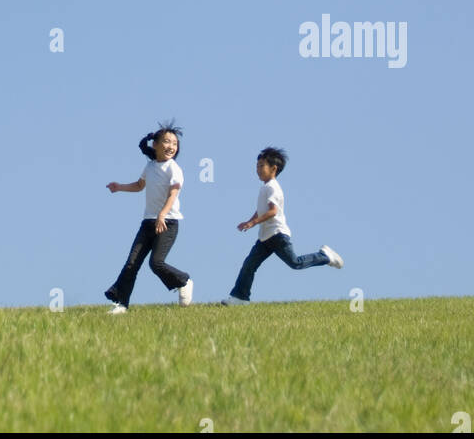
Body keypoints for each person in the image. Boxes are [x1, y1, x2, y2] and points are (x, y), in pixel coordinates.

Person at [220, 146, 342, 305]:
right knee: (249, 264)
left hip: (277, 236)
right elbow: (261, 210)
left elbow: (272, 212)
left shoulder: (272, 187)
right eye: (257, 166)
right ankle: (240, 298)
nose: (258, 169)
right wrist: (249, 221)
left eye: (261, 166)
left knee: (295, 263)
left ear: (274, 169)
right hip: (266, 237)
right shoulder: (265, 187)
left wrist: (253, 222)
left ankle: (325, 256)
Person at [104, 123, 193, 313]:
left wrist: (162, 214)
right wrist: (119, 187)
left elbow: (173, 194)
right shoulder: (150, 166)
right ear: (155, 145)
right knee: (132, 263)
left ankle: (183, 281)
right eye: (167, 142)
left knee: (156, 263)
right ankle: (121, 304)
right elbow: (139, 185)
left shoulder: (174, 169)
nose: (171, 146)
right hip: (148, 222)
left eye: (175, 144)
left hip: (168, 222)